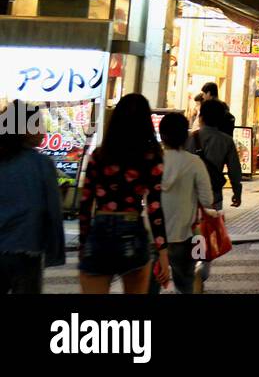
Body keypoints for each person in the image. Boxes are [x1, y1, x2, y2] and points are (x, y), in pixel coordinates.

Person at [78, 93, 169, 294]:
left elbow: (85, 203)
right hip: (132, 228)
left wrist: (84, 243)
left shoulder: (99, 156)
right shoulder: (151, 157)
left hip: (100, 228)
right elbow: (155, 208)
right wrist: (163, 253)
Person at [0, 103, 65, 293]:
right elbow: (53, 211)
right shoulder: (41, 164)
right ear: (24, 129)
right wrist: (55, 252)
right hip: (27, 248)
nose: (42, 129)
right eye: (38, 123)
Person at [152, 113, 212, 295]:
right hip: (186, 235)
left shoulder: (153, 162)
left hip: (154, 237)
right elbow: (207, 200)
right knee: (186, 284)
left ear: (161, 135)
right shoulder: (195, 163)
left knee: (148, 287)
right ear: (185, 137)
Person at [187, 98, 243, 211]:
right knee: (213, 225)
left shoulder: (191, 138)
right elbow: (234, 170)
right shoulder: (226, 141)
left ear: (201, 117)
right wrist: (237, 192)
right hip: (214, 195)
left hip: (191, 194)